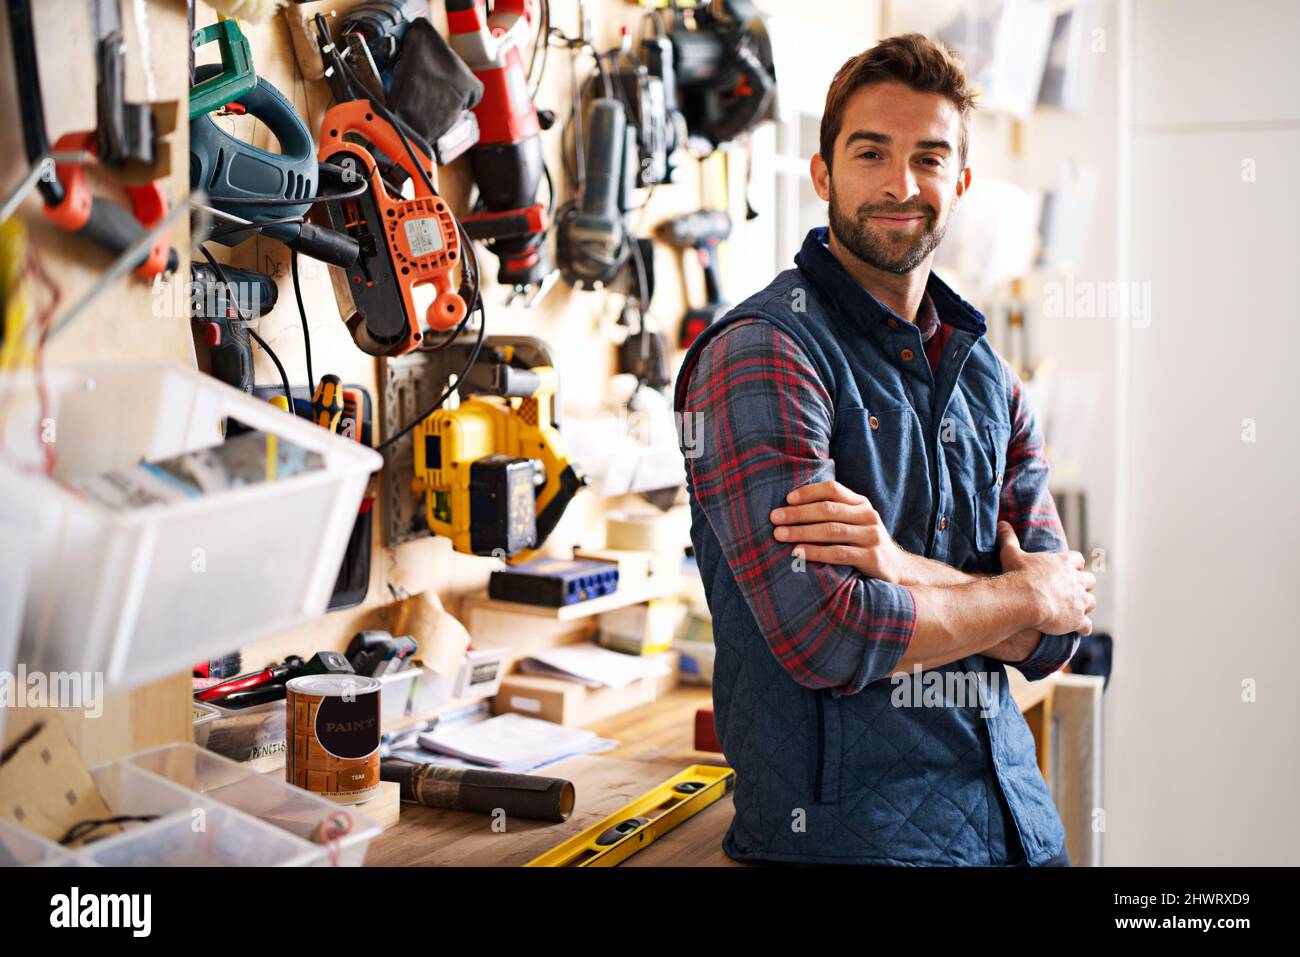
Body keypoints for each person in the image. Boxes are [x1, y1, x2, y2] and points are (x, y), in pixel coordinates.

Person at [673, 33, 1094, 866]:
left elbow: (1060, 636)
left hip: (1021, 829)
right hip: (845, 845)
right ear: (822, 173)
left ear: (961, 182)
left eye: (929, 157)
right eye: (872, 153)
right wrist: (1023, 595)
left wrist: (896, 565)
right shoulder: (764, 352)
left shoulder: (986, 376)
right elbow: (830, 636)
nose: (902, 184)